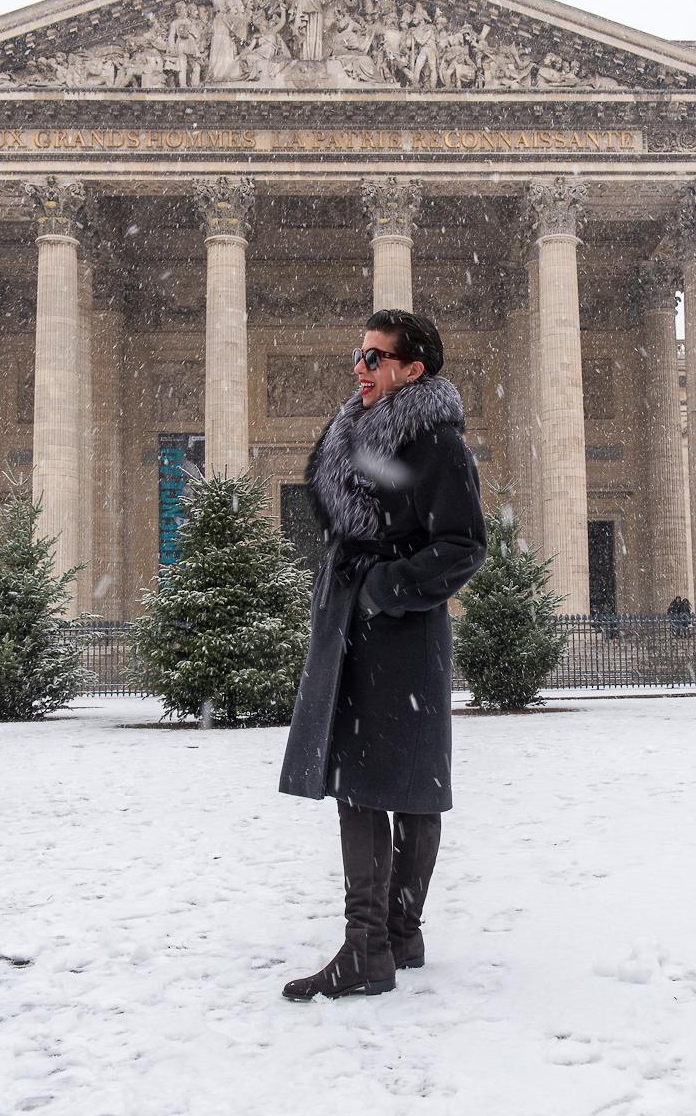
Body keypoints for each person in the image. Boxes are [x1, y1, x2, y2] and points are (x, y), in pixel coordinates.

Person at [279, 309, 487, 1001]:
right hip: (357, 630)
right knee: (368, 784)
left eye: (374, 357)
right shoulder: (356, 436)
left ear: (411, 370)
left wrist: (382, 588)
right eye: (358, 354)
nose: (359, 367)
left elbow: (463, 545)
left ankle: (375, 945)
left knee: (395, 787)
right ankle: (391, 938)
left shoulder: (437, 445)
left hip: (399, 632)